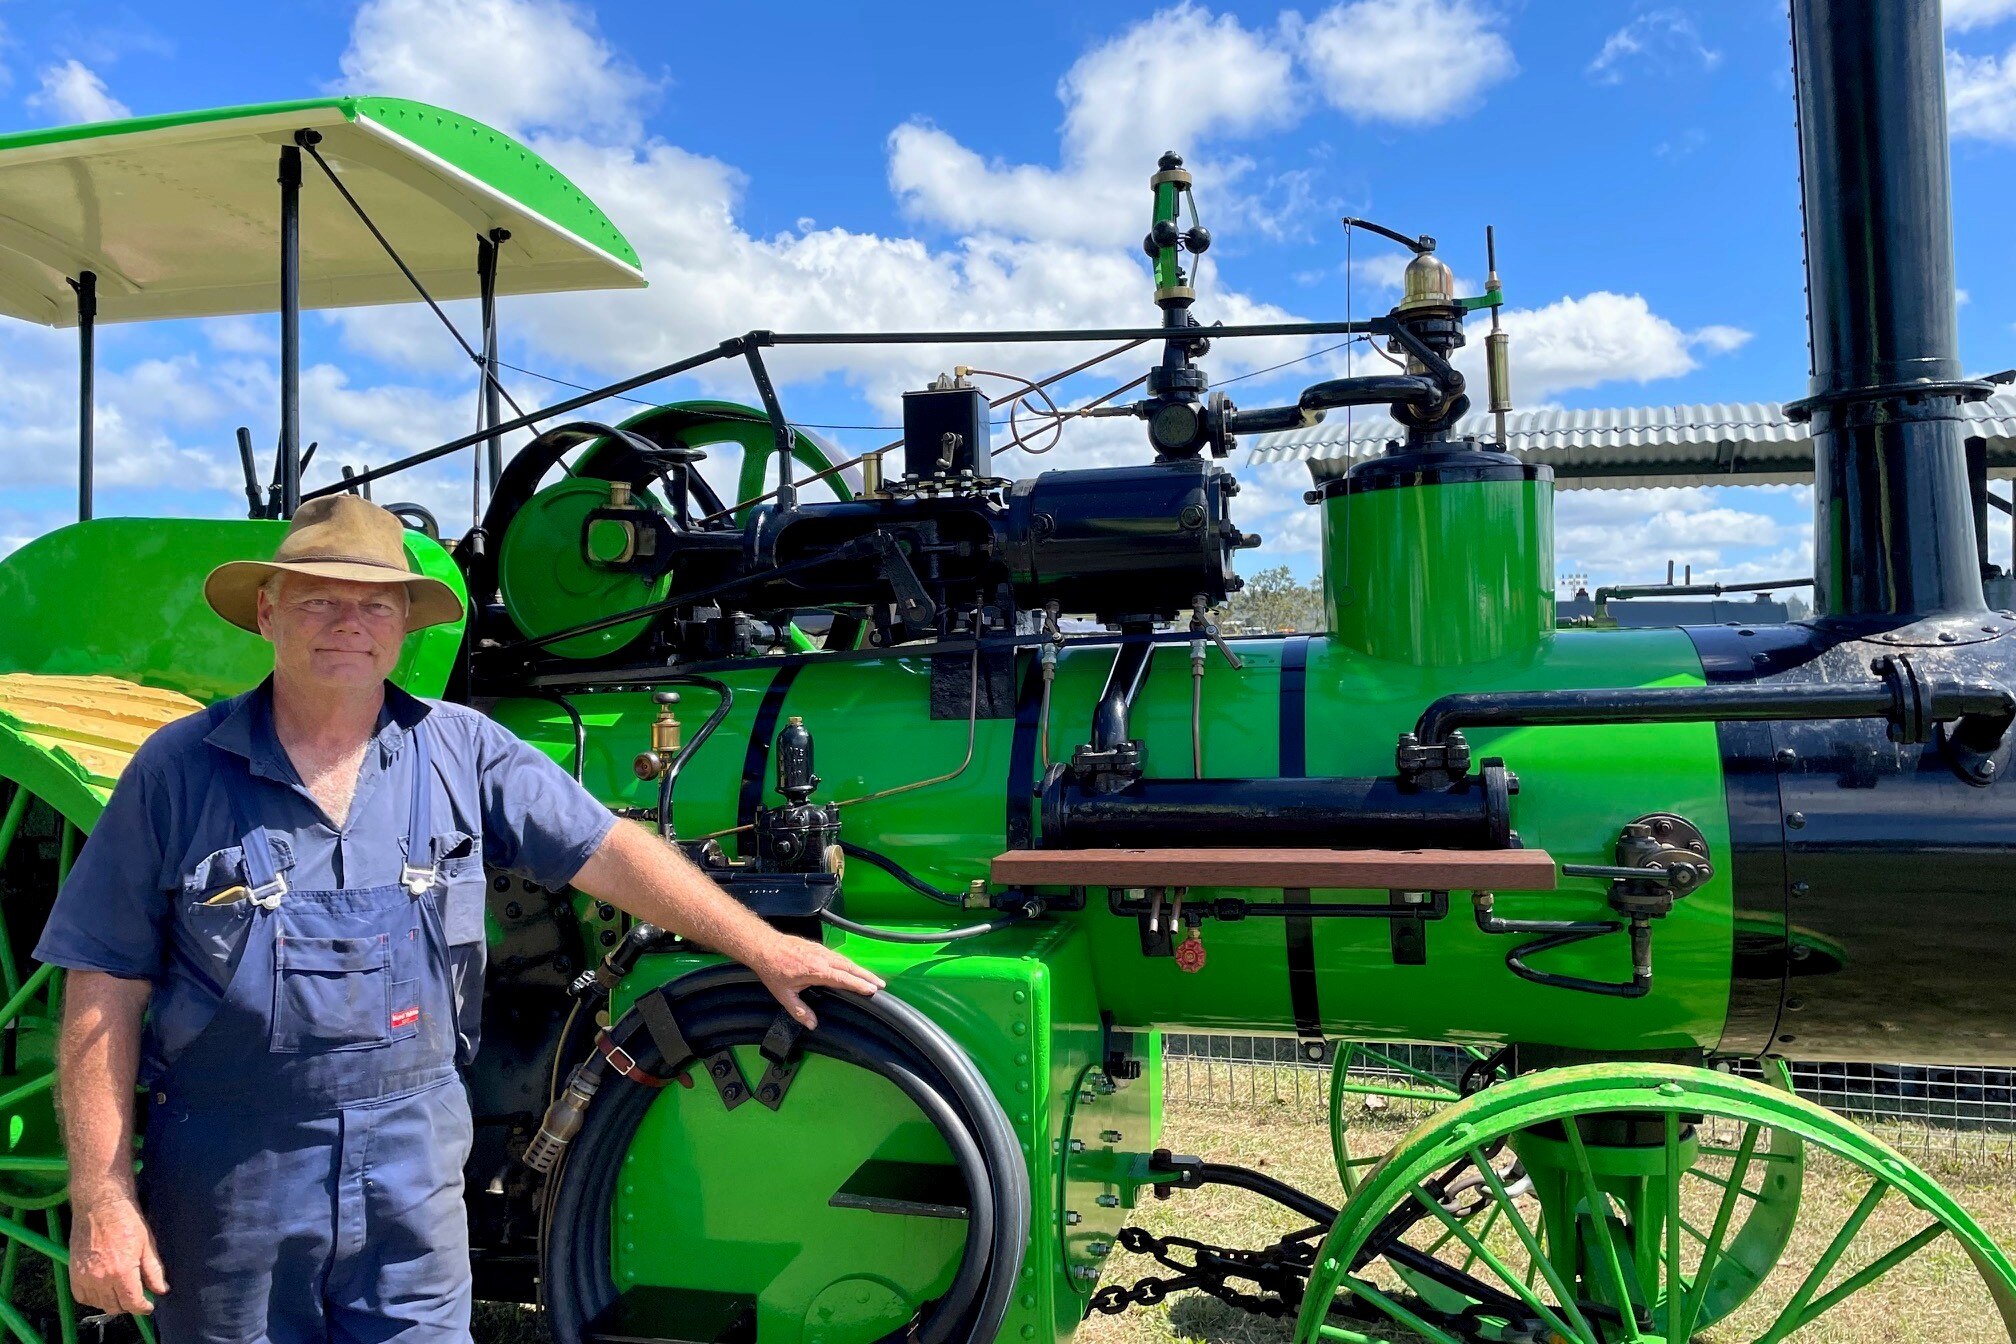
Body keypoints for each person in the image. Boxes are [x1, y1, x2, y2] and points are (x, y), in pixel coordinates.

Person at [34, 495, 884, 1344]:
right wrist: (101, 1199)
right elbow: (104, 982)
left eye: (374, 604)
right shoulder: (178, 769)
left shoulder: (462, 748)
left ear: (404, 624)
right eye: (317, 599)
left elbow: (608, 850)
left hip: (412, 1165)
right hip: (234, 1177)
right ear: (266, 611)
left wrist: (760, 944)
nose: (348, 623)